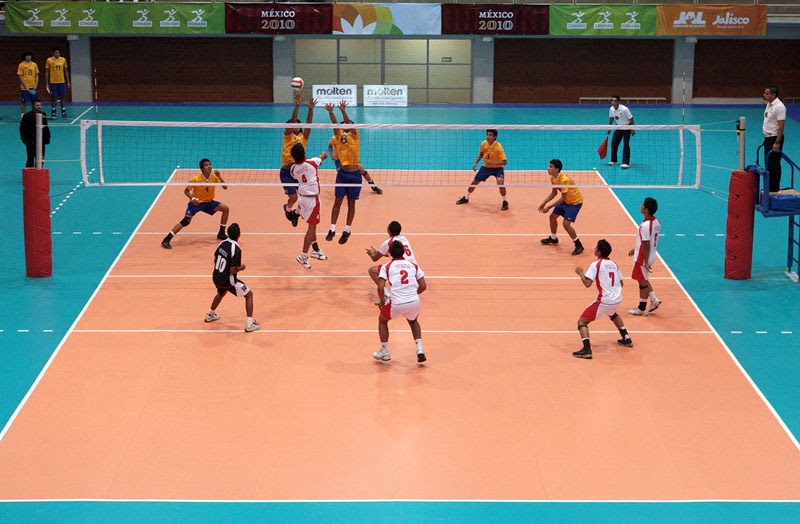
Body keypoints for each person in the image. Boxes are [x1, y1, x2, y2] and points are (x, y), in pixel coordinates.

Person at [573, 239, 633, 359]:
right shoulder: (614, 264)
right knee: (613, 314)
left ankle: (587, 349)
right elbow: (621, 283)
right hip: (617, 298)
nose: (594, 249)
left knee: (582, 322)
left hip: (604, 300)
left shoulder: (596, 265)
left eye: (596, 248)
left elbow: (587, 283)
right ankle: (626, 338)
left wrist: (580, 273)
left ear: (599, 252)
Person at [373, 240, 427, 363]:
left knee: (382, 321)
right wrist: (412, 294)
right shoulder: (413, 265)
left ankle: (384, 352)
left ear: (390, 253)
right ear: (403, 252)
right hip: (414, 302)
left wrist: (382, 301)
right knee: (413, 321)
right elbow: (423, 286)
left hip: (396, 303)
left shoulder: (387, 267)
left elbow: (380, 287)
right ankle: (420, 349)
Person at [161, 158, 229, 249]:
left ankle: (221, 233)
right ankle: (166, 239)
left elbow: (225, 187)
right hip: (196, 203)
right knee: (186, 221)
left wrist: (219, 177)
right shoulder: (196, 180)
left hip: (209, 202)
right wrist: (192, 198)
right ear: (202, 169)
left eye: (210, 164)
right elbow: (186, 191)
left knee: (225, 208)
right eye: (206, 165)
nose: (209, 166)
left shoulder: (214, 176)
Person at [205, 223, 261, 333]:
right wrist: (242, 267)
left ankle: (210, 314)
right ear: (239, 235)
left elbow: (215, 259)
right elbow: (232, 270)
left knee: (221, 292)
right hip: (228, 280)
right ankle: (250, 324)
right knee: (249, 294)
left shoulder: (222, 243)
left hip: (216, 276)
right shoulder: (236, 249)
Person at [324, 101, 362, 245]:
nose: (347, 124)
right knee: (337, 201)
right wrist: (330, 112)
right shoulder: (338, 135)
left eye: (349, 123)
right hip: (342, 175)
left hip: (355, 175)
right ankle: (332, 229)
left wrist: (343, 111)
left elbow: (348, 123)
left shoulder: (355, 135)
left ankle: (347, 230)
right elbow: (335, 124)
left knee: (351, 203)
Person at [288, 143, 329, 269]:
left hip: (303, 199)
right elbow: (324, 155)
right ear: (304, 153)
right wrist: (322, 155)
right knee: (311, 228)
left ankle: (315, 250)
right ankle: (303, 256)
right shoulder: (313, 162)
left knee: (313, 226)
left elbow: (297, 173)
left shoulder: (293, 169)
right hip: (312, 201)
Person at [280, 94, 316, 226]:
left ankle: (296, 213)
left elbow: (309, 125)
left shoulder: (303, 137)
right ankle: (288, 209)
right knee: (293, 197)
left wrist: (311, 110)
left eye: (297, 125)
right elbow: (293, 122)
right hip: (286, 172)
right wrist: (297, 106)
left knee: (306, 197)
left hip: (299, 171)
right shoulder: (288, 136)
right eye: (293, 124)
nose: (295, 126)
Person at [538, 159, 585, 256]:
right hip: (566, 201)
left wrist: (549, 206)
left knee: (566, 224)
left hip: (574, 203)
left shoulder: (564, 180)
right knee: (552, 217)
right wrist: (544, 202)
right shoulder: (553, 178)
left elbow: (563, 198)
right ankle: (553, 238)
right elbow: (554, 193)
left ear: (557, 169)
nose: (548, 168)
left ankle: (578, 245)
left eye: (551, 167)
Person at [455, 129, 509, 210]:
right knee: (474, 182)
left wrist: (493, 163)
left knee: (500, 184)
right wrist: (475, 163)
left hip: (497, 168)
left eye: (490, 135)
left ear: (494, 137)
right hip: (486, 167)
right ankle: (466, 197)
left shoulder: (498, 147)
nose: (488, 136)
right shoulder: (484, 143)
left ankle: (505, 201)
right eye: (487, 135)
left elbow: (505, 162)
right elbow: (481, 154)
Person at [366, 220, 417, 304]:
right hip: (414, 268)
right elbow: (392, 253)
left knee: (372, 271)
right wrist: (380, 252)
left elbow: (375, 258)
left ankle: (386, 295)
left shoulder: (388, 242)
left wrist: (371, 253)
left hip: (401, 267)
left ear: (389, 231)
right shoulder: (404, 238)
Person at [628, 197, 662, 316]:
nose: (641, 206)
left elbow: (646, 244)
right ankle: (654, 300)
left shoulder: (645, 226)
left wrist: (645, 262)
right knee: (644, 279)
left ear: (646, 209)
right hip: (650, 254)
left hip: (643, 257)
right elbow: (648, 241)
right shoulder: (656, 222)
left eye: (643, 205)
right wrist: (636, 248)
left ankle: (642, 308)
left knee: (642, 283)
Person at [762, 85, 786, 193]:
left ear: (773, 95)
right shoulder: (769, 104)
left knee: (774, 164)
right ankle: (769, 187)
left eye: (767, 93)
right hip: (768, 138)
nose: (764, 95)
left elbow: (781, 126)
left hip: (775, 138)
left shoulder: (780, 107)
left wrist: (777, 142)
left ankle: (774, 188)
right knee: (768, 164)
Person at [19, 99, 50, 168]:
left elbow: (46, 127)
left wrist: (47, 138)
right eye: (37, 105)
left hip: (41, 141)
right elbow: (22, 129)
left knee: (41, 160)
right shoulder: (27, 116)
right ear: (33, 106)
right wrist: (26, 141)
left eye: (40, 105)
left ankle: (39, 172)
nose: (39, 107)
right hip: (31, 141)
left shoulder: (43, 115)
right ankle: (29, 173)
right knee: (30, 159)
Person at [607, 95, 635, 169]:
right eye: (612, 101)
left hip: (627, 127)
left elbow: (631, 119)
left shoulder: (625, 109)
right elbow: (611, 118)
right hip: (618, 127)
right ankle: (614, 160)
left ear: (619, 102)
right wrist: (609, 127)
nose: (613, 102)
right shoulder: (611, 109)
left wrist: (632, 129)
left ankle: (626, 163)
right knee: (614, 143)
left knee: (626, 144)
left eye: (615, 101)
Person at [45, 47, 70, 119]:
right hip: (53, 82)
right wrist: (47, 83)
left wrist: (68, 81)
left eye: (58, 52)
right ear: (53, 53)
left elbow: (66, 71)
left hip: (62, 82)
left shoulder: (63, 59)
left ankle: (63, 113)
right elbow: (47, 72)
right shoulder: (49, 60)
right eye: (56, 52)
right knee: (54, 97)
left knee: (62, 97)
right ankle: (53, 113)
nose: (57, 54)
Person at [18, 51, 39, 118]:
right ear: (24, 57)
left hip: (33, 87)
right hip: (24, 88)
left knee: (34, 102)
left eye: (30, 56)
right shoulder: (21, 65)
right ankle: (22, 116)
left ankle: (34, 115)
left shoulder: (34, 64)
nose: (28, 57)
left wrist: (36, 85)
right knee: (24, 102)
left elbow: (37, 75)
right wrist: (25, 86)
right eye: (27, 56)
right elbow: (20, 76)